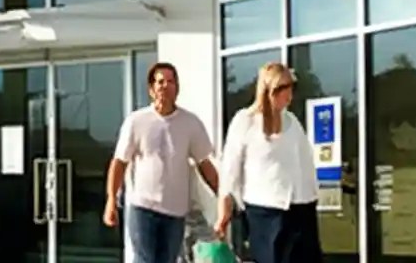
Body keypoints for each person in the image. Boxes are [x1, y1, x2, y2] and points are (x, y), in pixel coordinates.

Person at [103, 61, 220, 263]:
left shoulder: (190, 123)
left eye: (171, 81)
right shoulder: (137, 121)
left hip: (175, 211)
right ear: (151, 89)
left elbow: (204, 163)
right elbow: (119, 162)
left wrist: (222, 194)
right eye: (160, 82)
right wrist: (111, 199)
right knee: (144, 259)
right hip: (142, 207)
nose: (166, 86)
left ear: (178, 88)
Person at [214, 62, 323, 263]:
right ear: (269, 90)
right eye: (283, 88)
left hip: (301, 208)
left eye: (291, 87)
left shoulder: (292, 122)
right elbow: (230, 169)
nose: (289, 93)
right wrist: (224, 212)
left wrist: (312, 199)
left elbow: (304, 163)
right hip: (265, 211)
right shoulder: (245, 121)